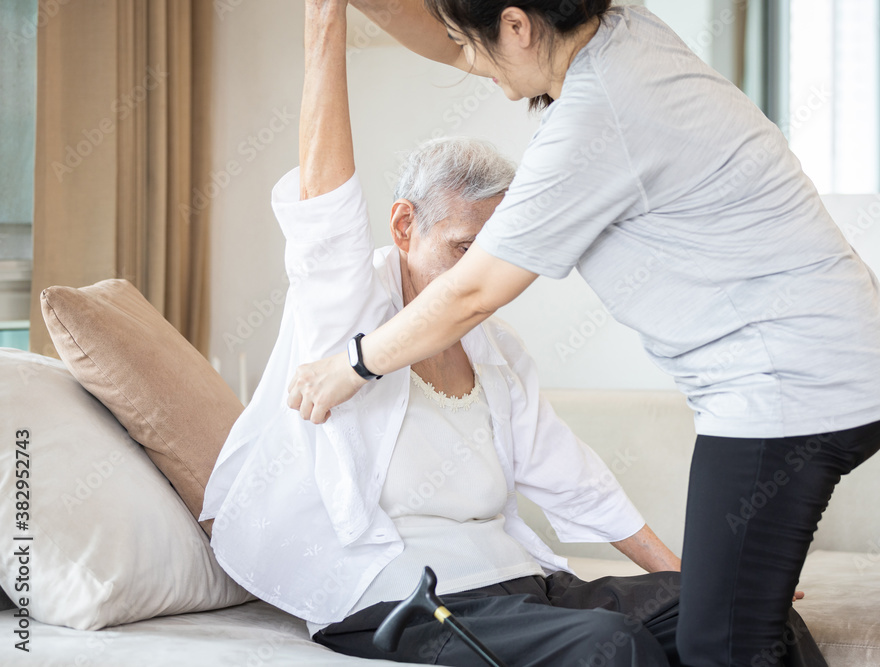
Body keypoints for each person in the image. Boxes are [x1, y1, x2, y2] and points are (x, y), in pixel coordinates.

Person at [200, 1, 829, 665]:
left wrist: (694, 580)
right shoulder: (346, 312)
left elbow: (574, 480)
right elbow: (324, 214)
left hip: (519, 583)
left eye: (488, 250)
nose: (476, 272)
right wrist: (323, 19)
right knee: (608, 646)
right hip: (401, 599)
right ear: (403, 225)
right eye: (460, 245)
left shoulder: (495, 352)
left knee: (746, 610)